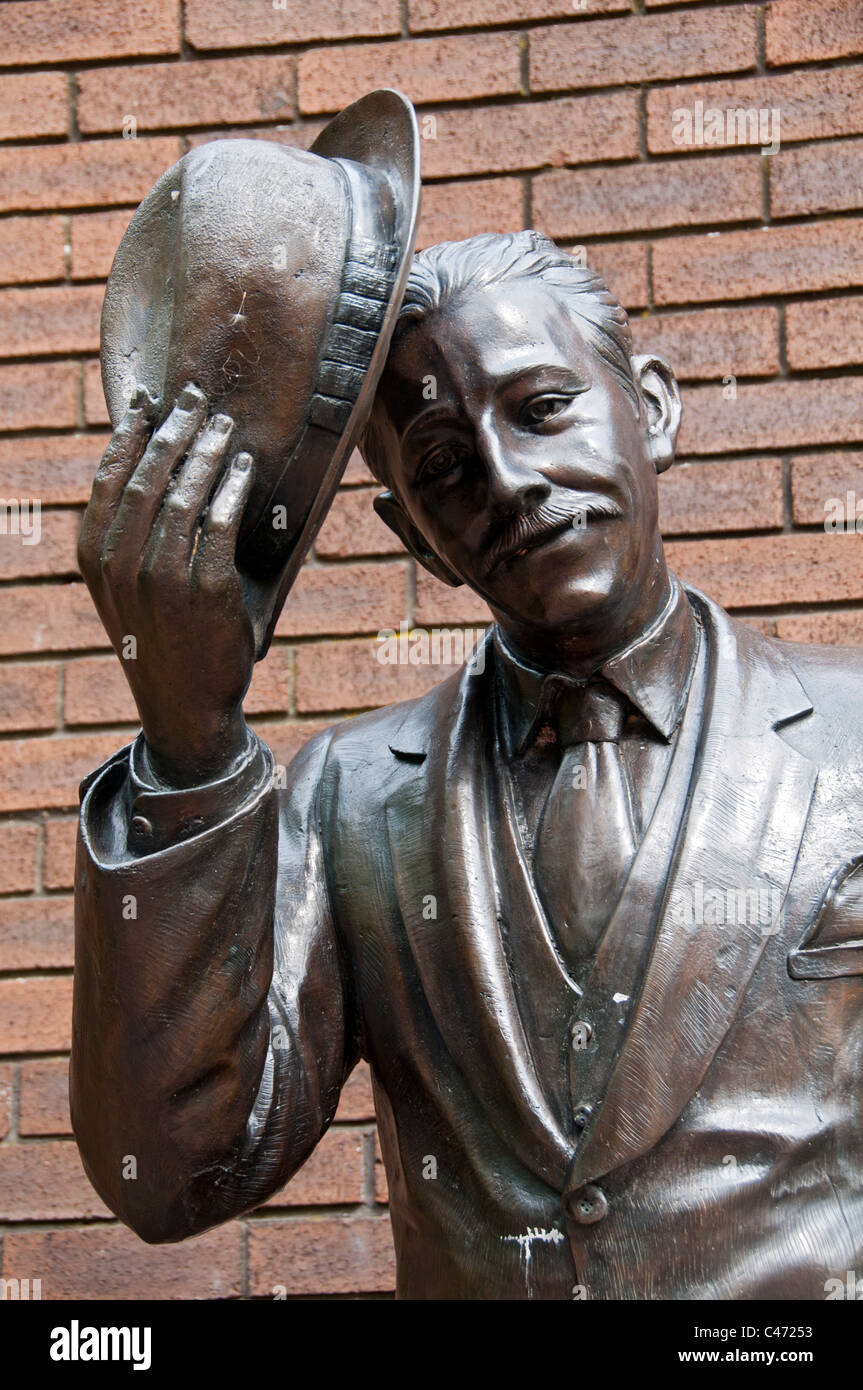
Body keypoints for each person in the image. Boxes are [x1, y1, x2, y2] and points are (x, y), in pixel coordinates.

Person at [72, 231, 863, 1299]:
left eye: (542, 409)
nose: (508, 481)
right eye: (442, 465)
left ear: (655, 410)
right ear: (414, 537)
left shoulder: (846, 737)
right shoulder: (352, 795)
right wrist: (188, 744)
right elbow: (173, 1175)